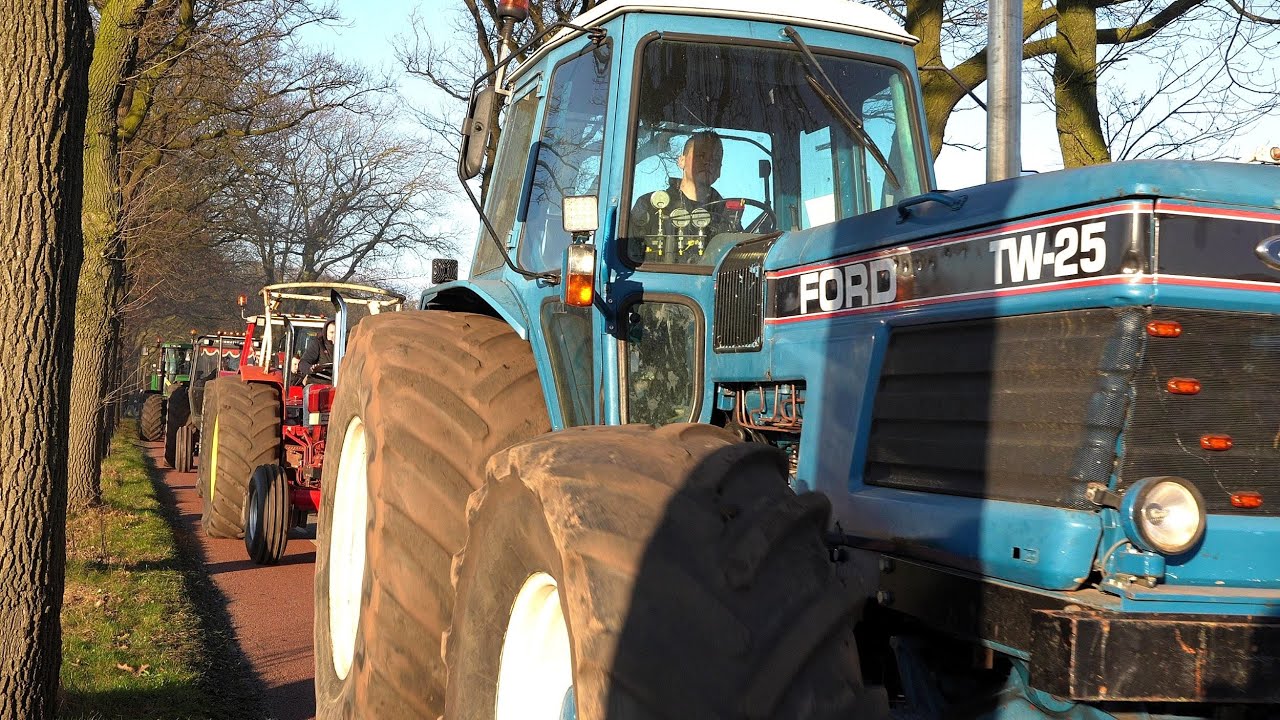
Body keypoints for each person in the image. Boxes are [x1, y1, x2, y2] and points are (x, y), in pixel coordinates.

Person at [628, 130, 743, 254]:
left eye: (715, 159)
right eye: (701, 155)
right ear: (681, 161)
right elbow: (630, 254)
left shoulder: (726, 215)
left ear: (719, 170)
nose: (708, 162)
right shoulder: (649, 205)